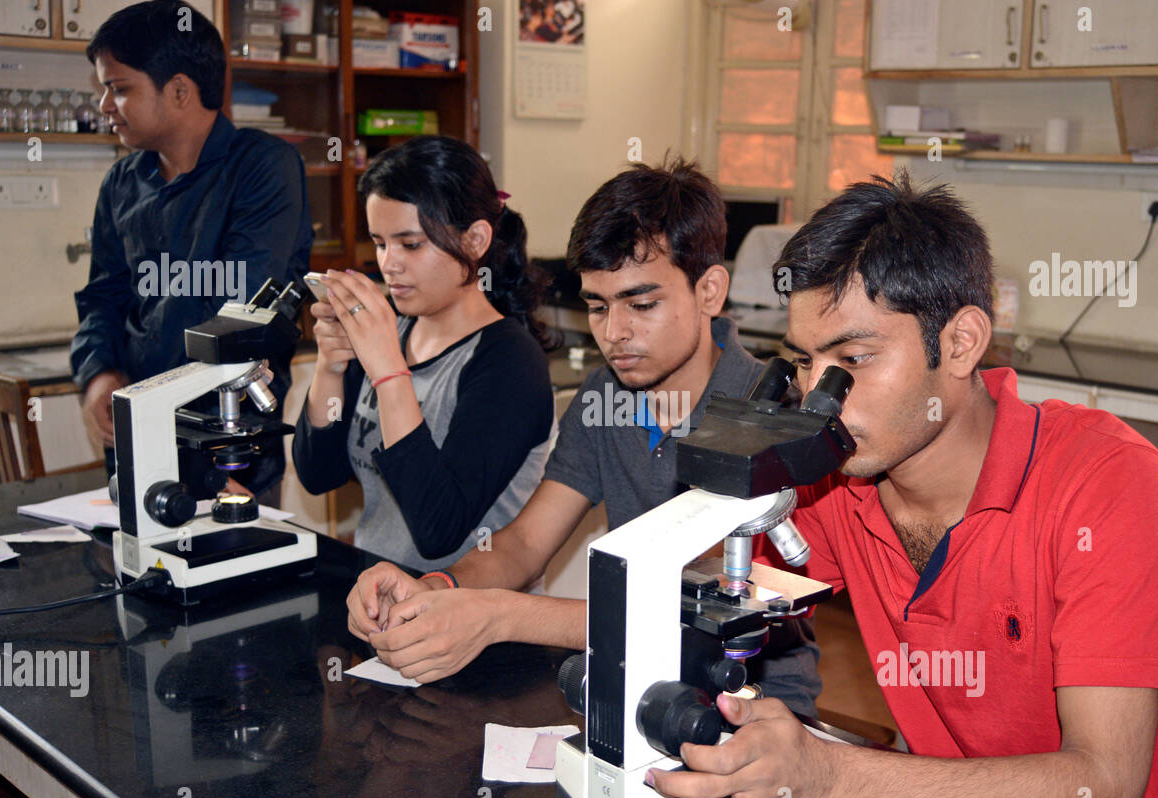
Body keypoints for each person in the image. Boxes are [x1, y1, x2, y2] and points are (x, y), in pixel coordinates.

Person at [647, 172, 1158, 798]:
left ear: (961, 342)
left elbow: (1102, 790)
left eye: (855, 359)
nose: (821, 394)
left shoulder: (1105, 480)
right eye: (805, 363)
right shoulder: (838, 479)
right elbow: (691, 595)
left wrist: (825, 774)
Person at [344, 159, 822, 717]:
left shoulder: (771, 416)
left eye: (642, 305)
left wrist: (498, 615)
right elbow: (523, 544)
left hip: (752, 700)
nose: (614, 333)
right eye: (598, 306)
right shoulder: (606, 396)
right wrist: (438, 587)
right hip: (635, 676)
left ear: (710, 291)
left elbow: (694, 609)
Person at [70, 0, 313, 501]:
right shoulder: (121, 182)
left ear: (179, 90)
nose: (104, 107)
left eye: (118, 89)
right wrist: (98, 376)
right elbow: (103, 297)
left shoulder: (264, 168)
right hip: (136, 448)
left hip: (229, 453)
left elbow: (242, 315)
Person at [292, 136, 555, 571]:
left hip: (471, 618)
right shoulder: (389, 330)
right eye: (379, 242)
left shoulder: (510, 363)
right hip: (378, 596)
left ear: (474, 240)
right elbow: (320, 475)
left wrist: (389, 372)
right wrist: (331, 366)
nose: (389, 263)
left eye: (410, 244)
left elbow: (438, 528)